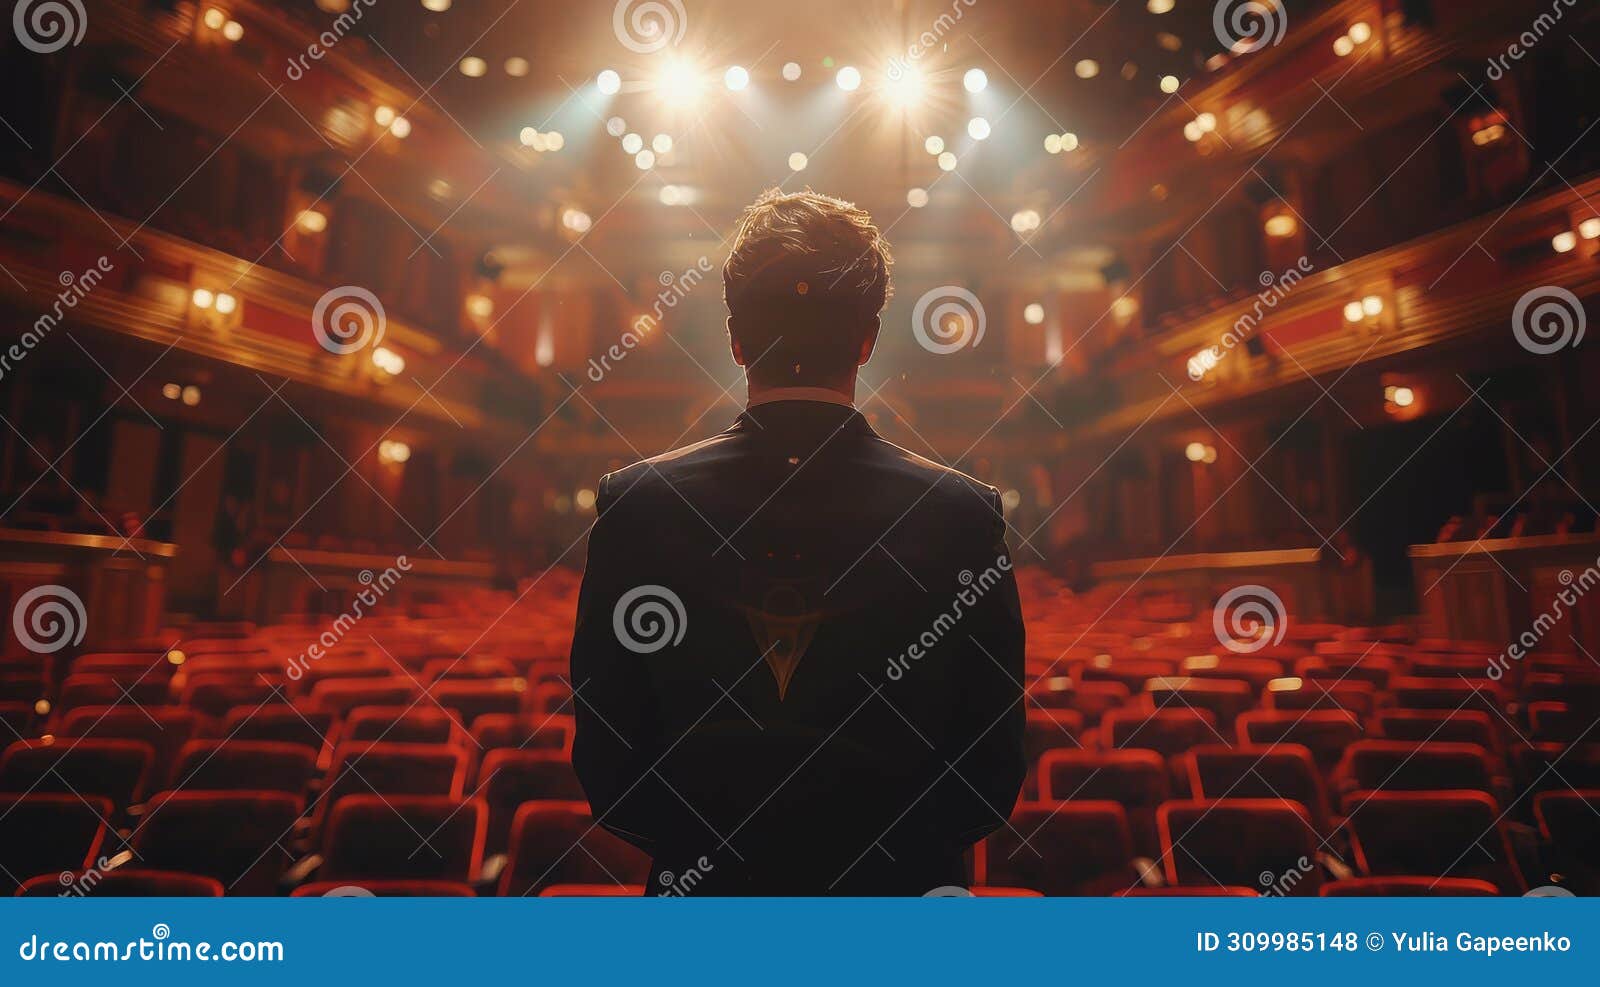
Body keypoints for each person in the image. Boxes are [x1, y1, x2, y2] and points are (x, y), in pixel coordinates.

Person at [570, 188, 1025, 895]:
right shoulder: (963, 514)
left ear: (736, 337)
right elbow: (990, 769)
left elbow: (609, 759)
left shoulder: (637, 504)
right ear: (868, 339)